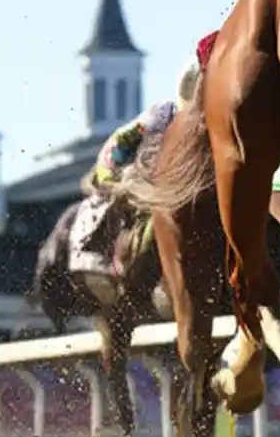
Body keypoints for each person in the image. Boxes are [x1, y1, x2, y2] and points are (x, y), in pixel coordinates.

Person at [68, 54, 202, 298]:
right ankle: (104, 261)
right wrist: (112, 178)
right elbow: (117, 145)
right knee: (123, 203)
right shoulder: (160, 116)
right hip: (139, 180)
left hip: (175, 185)